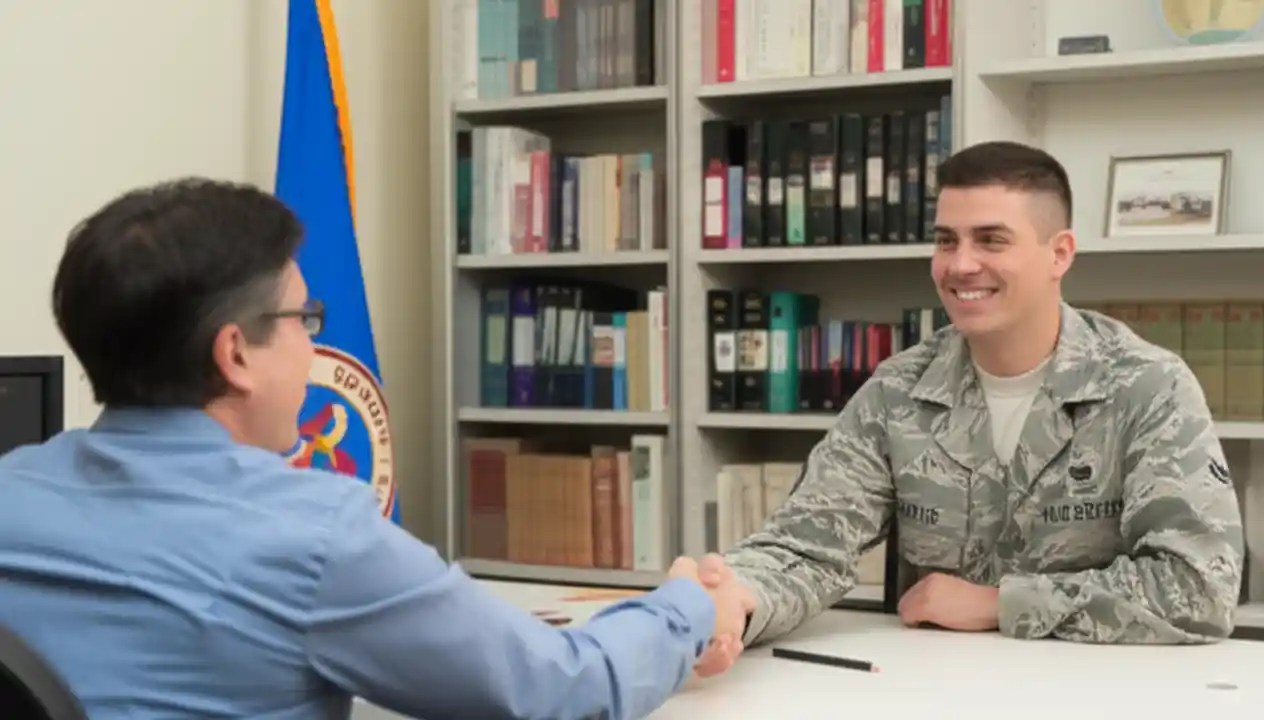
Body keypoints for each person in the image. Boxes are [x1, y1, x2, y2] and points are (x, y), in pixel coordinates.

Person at [0, 178, 755, 720]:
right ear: (236, 355)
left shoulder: (13, 493)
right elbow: (562, 691)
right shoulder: (311, 534)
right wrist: (690, 603)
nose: (312, 343)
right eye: (304, 318)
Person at [695, 140, 1244, 669]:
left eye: (991, 240)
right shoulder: (898, 392)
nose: (960, 265)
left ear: (1060, 254)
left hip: (1097, 696)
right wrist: (730, 599)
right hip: (932, 693)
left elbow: (1199, 586)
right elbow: (804, 547)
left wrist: (999, 602)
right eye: (945, 241)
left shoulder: (1148, 387)